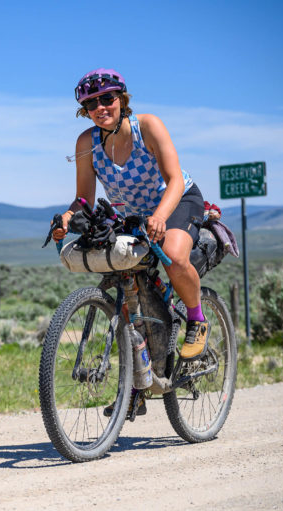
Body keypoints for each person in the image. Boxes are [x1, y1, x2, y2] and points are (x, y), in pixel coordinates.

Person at [53, 68, 210, 363]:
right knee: (126, 281)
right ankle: (138, 378)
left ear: (122, 99)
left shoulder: (148, 127)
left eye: (107, 98)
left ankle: (197, 319)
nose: (100, 108)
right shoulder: (87, 143)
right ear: (85, 111)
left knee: (174, 257)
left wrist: (161, 216)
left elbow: (174, 179)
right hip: (135, 215)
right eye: (91, 104)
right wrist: (66, 217)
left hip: (176, 200)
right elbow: (82, 198)